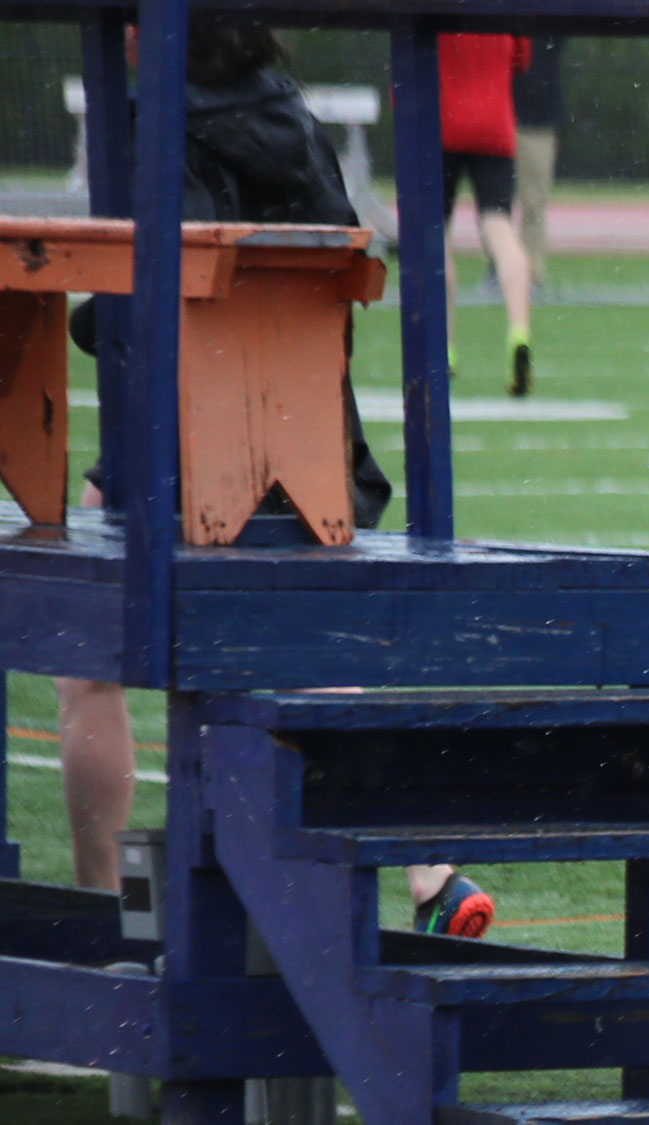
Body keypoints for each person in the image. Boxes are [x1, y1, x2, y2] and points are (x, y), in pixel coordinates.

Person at [58, 19, 493, 940]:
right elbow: (334, 255)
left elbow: (163, 283)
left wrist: (87, 324)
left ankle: (103, 913)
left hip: (191, 419)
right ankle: (429, 866)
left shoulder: (161, 121)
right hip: (305, 421)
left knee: (83, 656)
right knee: (313, 645)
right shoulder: (288, 111)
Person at [438, 32, 535, 397]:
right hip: (493, 121)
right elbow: (521, 59)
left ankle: (443, 347)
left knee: (437, 234)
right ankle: (519, 330)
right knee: (500, 228)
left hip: (440, 119)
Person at [512, 35, 564, 293]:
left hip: (537, 121)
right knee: (493, 206)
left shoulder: (554, 15)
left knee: (534, 203)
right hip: (501, 113)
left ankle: (531, 274)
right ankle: (500, 268)